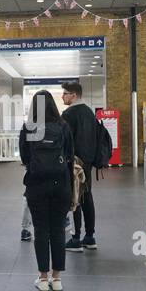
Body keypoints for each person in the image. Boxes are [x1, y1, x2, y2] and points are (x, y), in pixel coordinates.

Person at [20, 90, 74, 291]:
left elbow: (25, 157)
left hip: (36, 185)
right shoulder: (63, 126)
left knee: (41, 230)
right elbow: (70, 154)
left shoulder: (28, 127)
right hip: (60, 184)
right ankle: (57, 278)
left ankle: (43, 278)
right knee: (58, 229)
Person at [61, 81, 100, 252]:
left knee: (75, 197)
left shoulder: (69, 114)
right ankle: (90, 236)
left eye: (65, 93)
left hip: (74, 161)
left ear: (74, 95)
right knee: (86, 196)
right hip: (88, 161)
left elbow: (65, 140)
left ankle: (76, 238)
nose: (63, 96)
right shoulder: (90, 112)